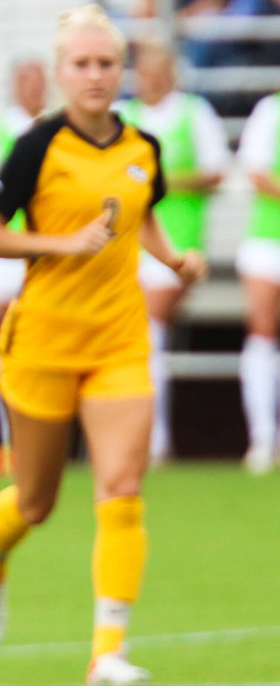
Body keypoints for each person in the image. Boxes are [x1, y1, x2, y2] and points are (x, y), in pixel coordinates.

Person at [0, 6, 206, 686]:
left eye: (106, 63)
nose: (95, 75)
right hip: (42, 340)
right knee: (35, 501)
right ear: (60, 72)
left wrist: (173, 260)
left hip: (119, 340)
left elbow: (143, 214)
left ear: (121, 70)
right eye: (82, 64)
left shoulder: (143, 146)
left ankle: (108, 652)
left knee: (123, 489)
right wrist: (58, 244)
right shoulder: (36, 146)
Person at [118, 37, 230, 463]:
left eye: (159, 71)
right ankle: (139, 435)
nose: (152, 79)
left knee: (149, 331)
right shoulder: (124, 117)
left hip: (179, 244)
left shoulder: (193, 112)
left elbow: (216, 172)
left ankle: (153, 438)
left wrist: (162, 182)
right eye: (145, 71)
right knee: (138, 340)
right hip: (128, 247)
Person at [0, 56, 49, 471]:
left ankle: (49, 444)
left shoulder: (59, 127)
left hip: (46, 246)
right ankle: (12, 442)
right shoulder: (2, 126)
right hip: (8, 246)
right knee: (7, 344)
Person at [235, 84, 280, 473]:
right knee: (262, 331)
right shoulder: (270, 111)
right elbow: (257, 171)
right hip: (269, 240)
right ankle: (262, 440)